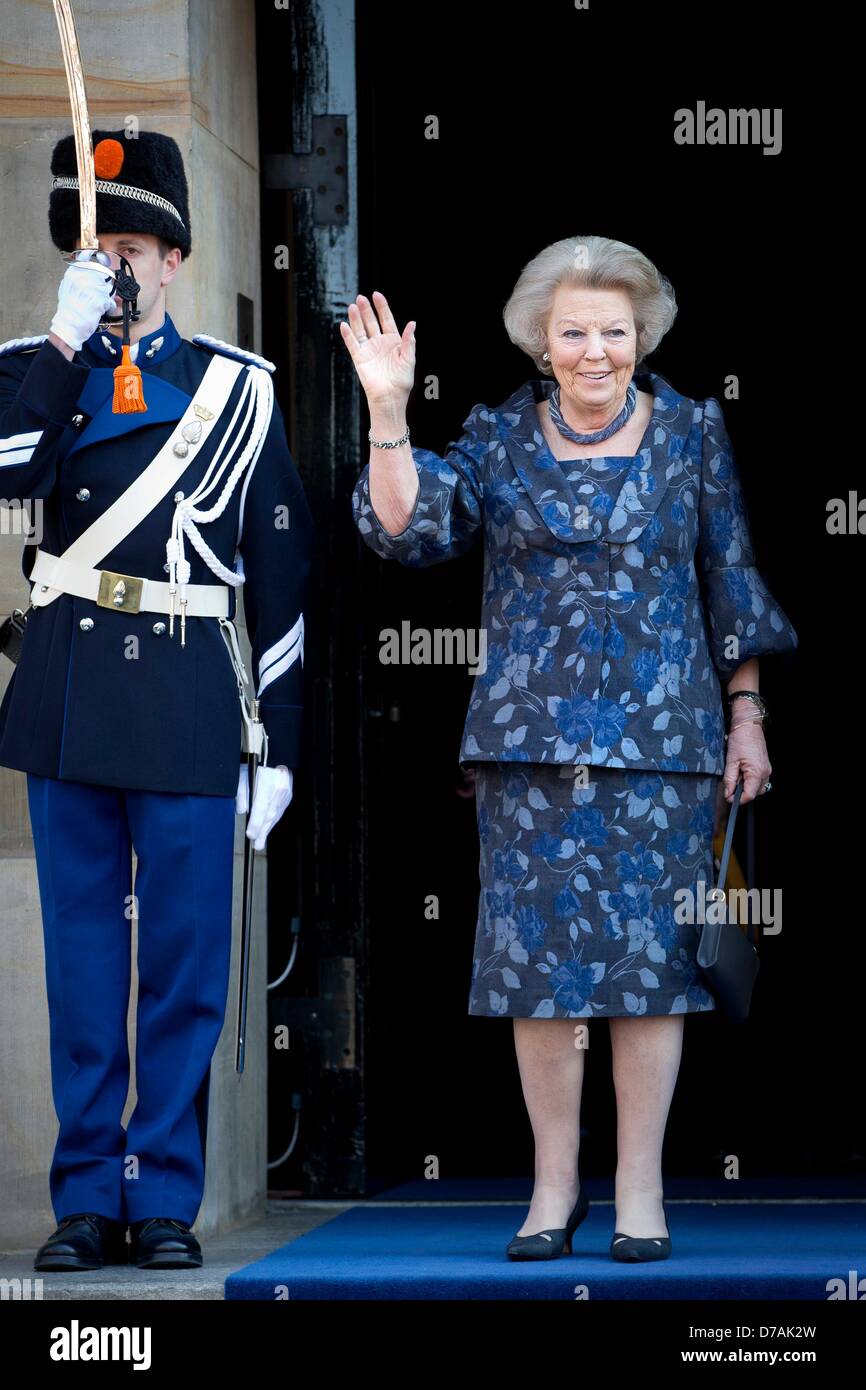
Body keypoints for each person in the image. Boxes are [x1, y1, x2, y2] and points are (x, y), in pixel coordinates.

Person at [344, 235, 797, 1262]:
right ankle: (552, 1188)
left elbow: (728, 572)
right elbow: (404, 534)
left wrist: (746, 713)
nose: (595, 350)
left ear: (641, 338)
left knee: (651, 973)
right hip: (530, 749)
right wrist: (385, 413)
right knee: (535, 975)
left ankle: (638, 1188)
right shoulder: (496, 440)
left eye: (613, 331)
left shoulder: (689, 431)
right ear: (539, 344)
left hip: (662, 748)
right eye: (573, 332)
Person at [0, 128, 313, 1271]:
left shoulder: (237, 391)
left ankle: (163, 1194)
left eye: (133, 248)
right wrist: (65, 342)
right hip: (71, 693)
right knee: (84, 966)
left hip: (185, 698)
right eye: (97, 249)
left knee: (180, 965)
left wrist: (275, 745)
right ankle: (85, 1196)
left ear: (174, 258)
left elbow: (278, 576)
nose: (118, 269)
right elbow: (7, 467)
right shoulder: (34, 365)